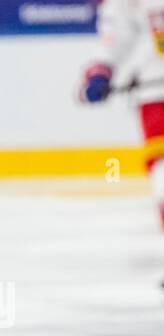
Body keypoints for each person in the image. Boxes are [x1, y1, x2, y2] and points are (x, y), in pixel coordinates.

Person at [82, 0, 164, 228]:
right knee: (161, 162)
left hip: (154, 86)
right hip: (157, 90)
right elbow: (115, 35)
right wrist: (100, 71)